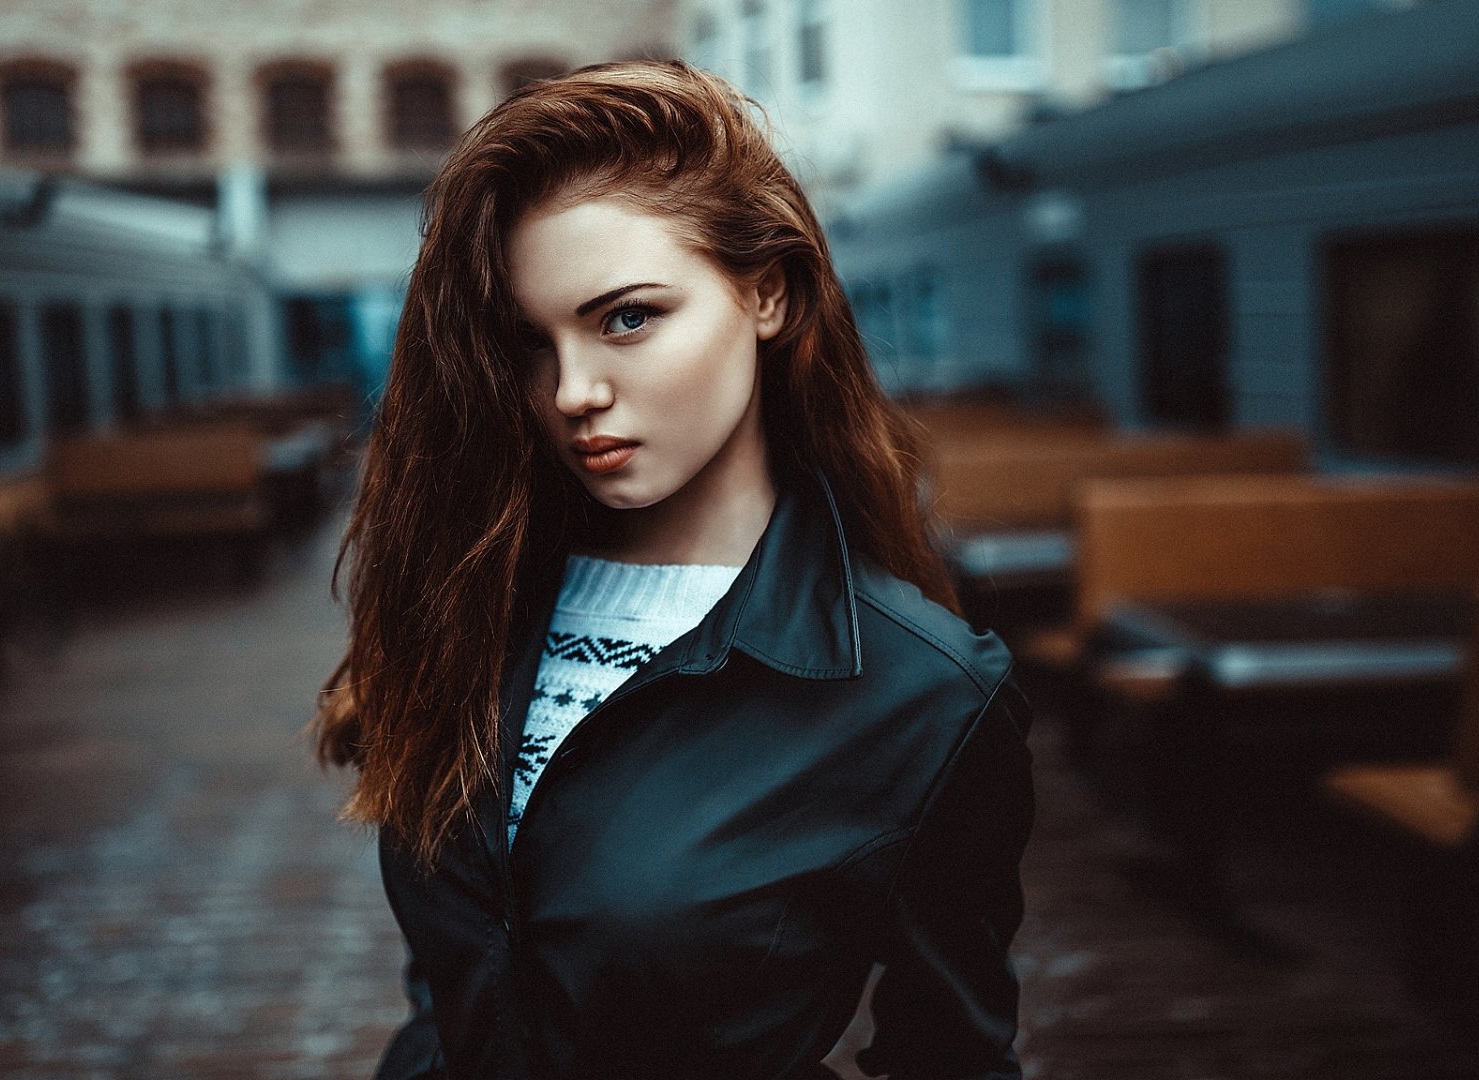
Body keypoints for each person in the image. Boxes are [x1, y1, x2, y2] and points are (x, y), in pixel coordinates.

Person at [311, 59, 1035, 1080]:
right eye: (530, 343)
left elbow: (952, 1058)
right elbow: (457, 973)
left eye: (626, 318)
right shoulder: (479, 599)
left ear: (767, 293)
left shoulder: (922, 695)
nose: (572, 391)